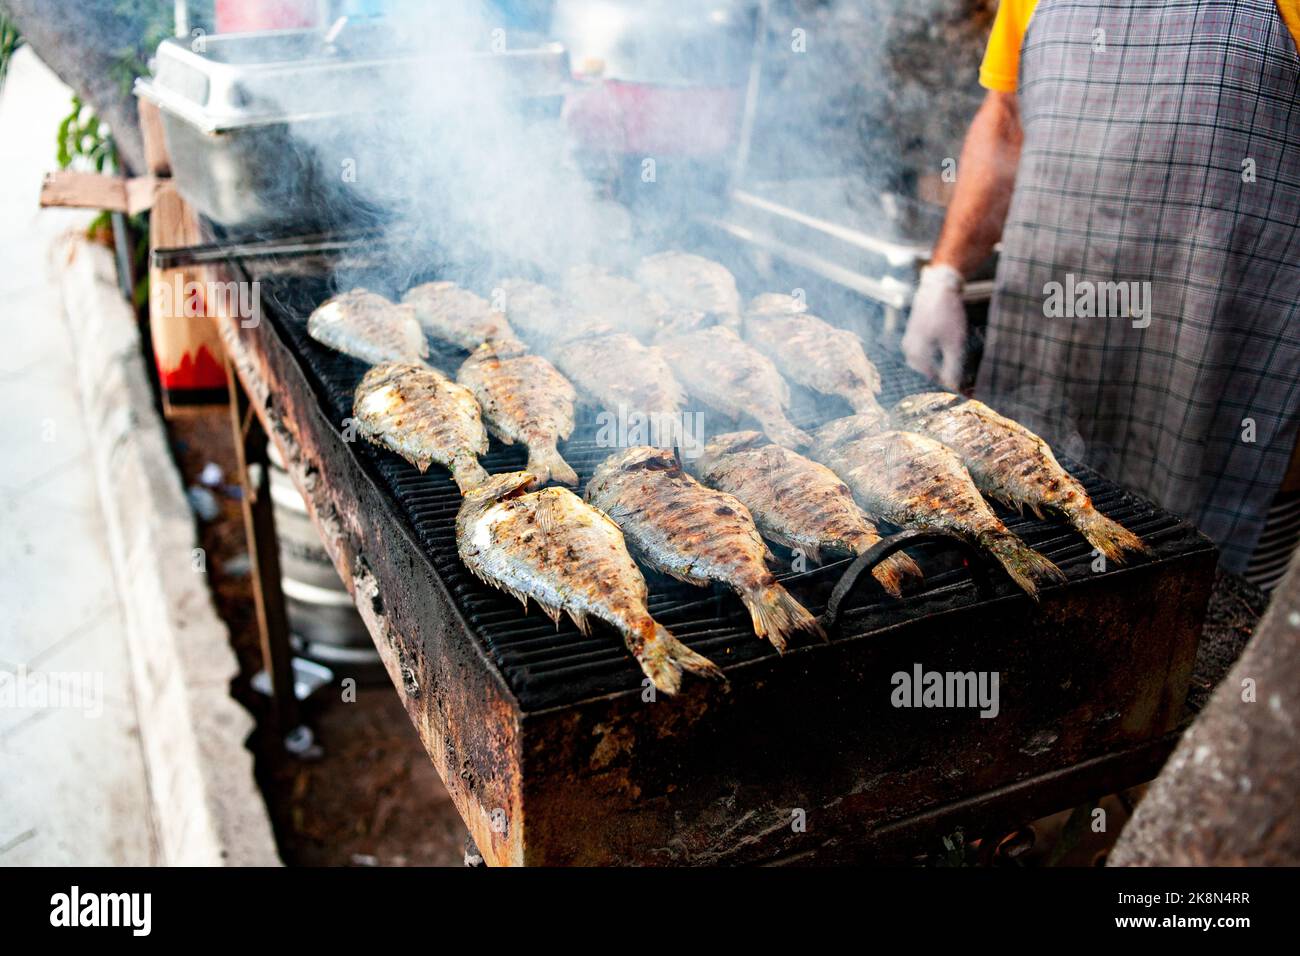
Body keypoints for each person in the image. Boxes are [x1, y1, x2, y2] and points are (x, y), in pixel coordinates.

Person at [901, 0, 1300, 579]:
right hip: (1052, 346)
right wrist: (946, 272)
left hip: (1221, 370)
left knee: (1210, 629)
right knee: (1025, 573)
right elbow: (1007, 120)